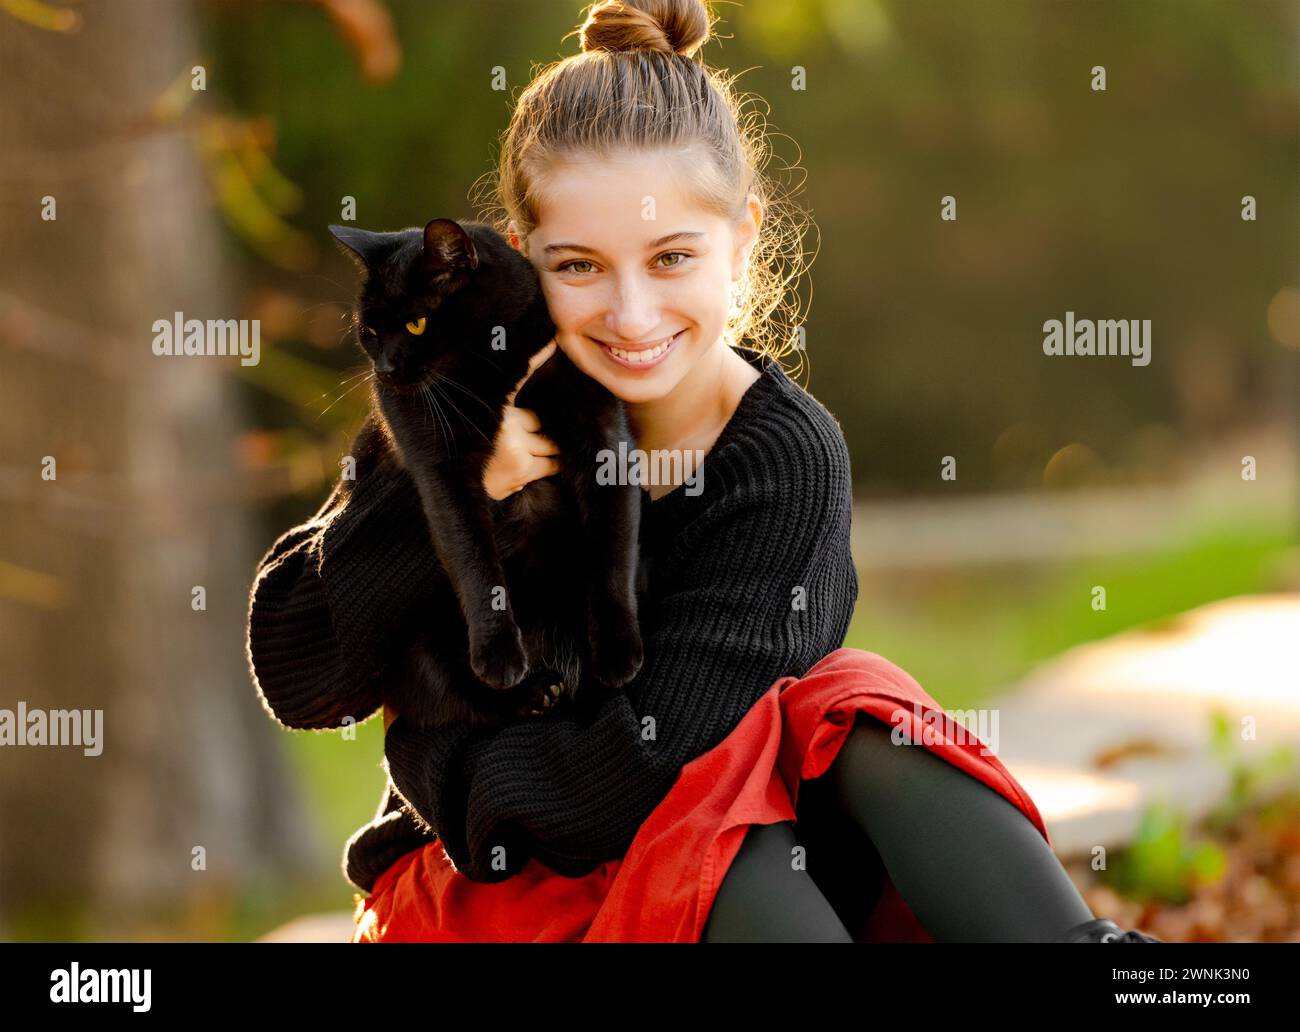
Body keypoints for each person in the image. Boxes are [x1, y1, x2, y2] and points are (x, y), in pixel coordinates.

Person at [246, 0, 1158, 943]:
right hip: (502, 890)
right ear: (520, 260)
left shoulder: (781, 462)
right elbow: (301, 673)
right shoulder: (460, 397)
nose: (631, 315)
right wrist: (449, 491)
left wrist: (449, 765)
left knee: (853, 707)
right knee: (728, 835)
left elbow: (651, 770)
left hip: (690, 857)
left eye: (672, 257)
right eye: (582, 266)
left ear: (744, 239)